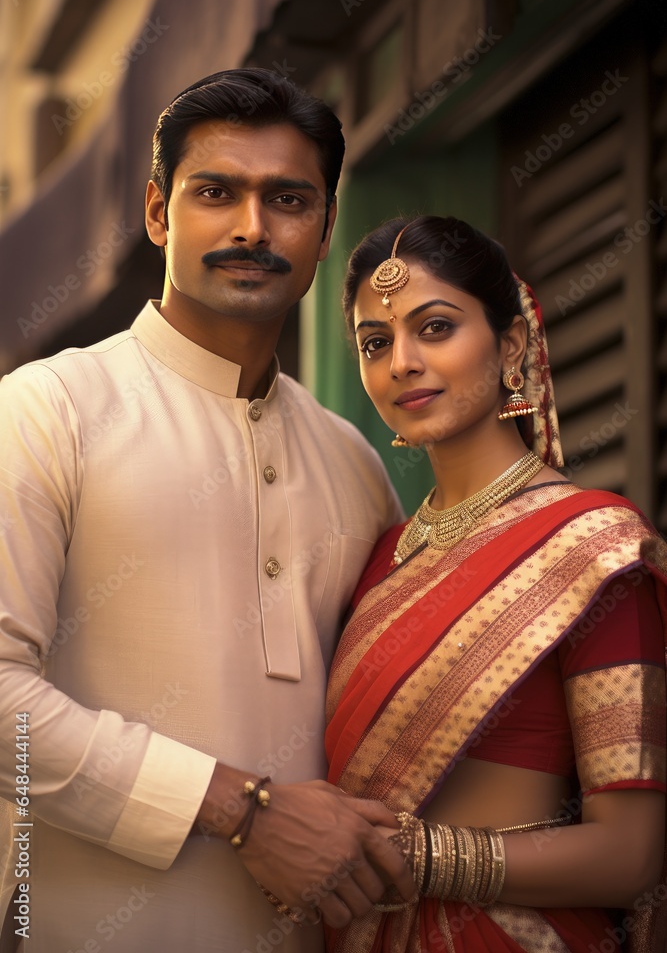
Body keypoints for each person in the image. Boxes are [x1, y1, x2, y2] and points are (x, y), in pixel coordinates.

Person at [0, 69, 416, 953]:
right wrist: (242, 810)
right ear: (158, 213)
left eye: (289, 199)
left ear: (324, 229)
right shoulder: (48, 410)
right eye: (216, 193)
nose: (252, 229)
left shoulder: (352, 460)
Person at [324, 214, 667, 952]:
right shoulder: (379, 559)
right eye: (375, 343)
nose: (402, 363)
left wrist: (419, 859)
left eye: (436, 328)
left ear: (510, 346)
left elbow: (630, 855)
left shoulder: (590, 548)